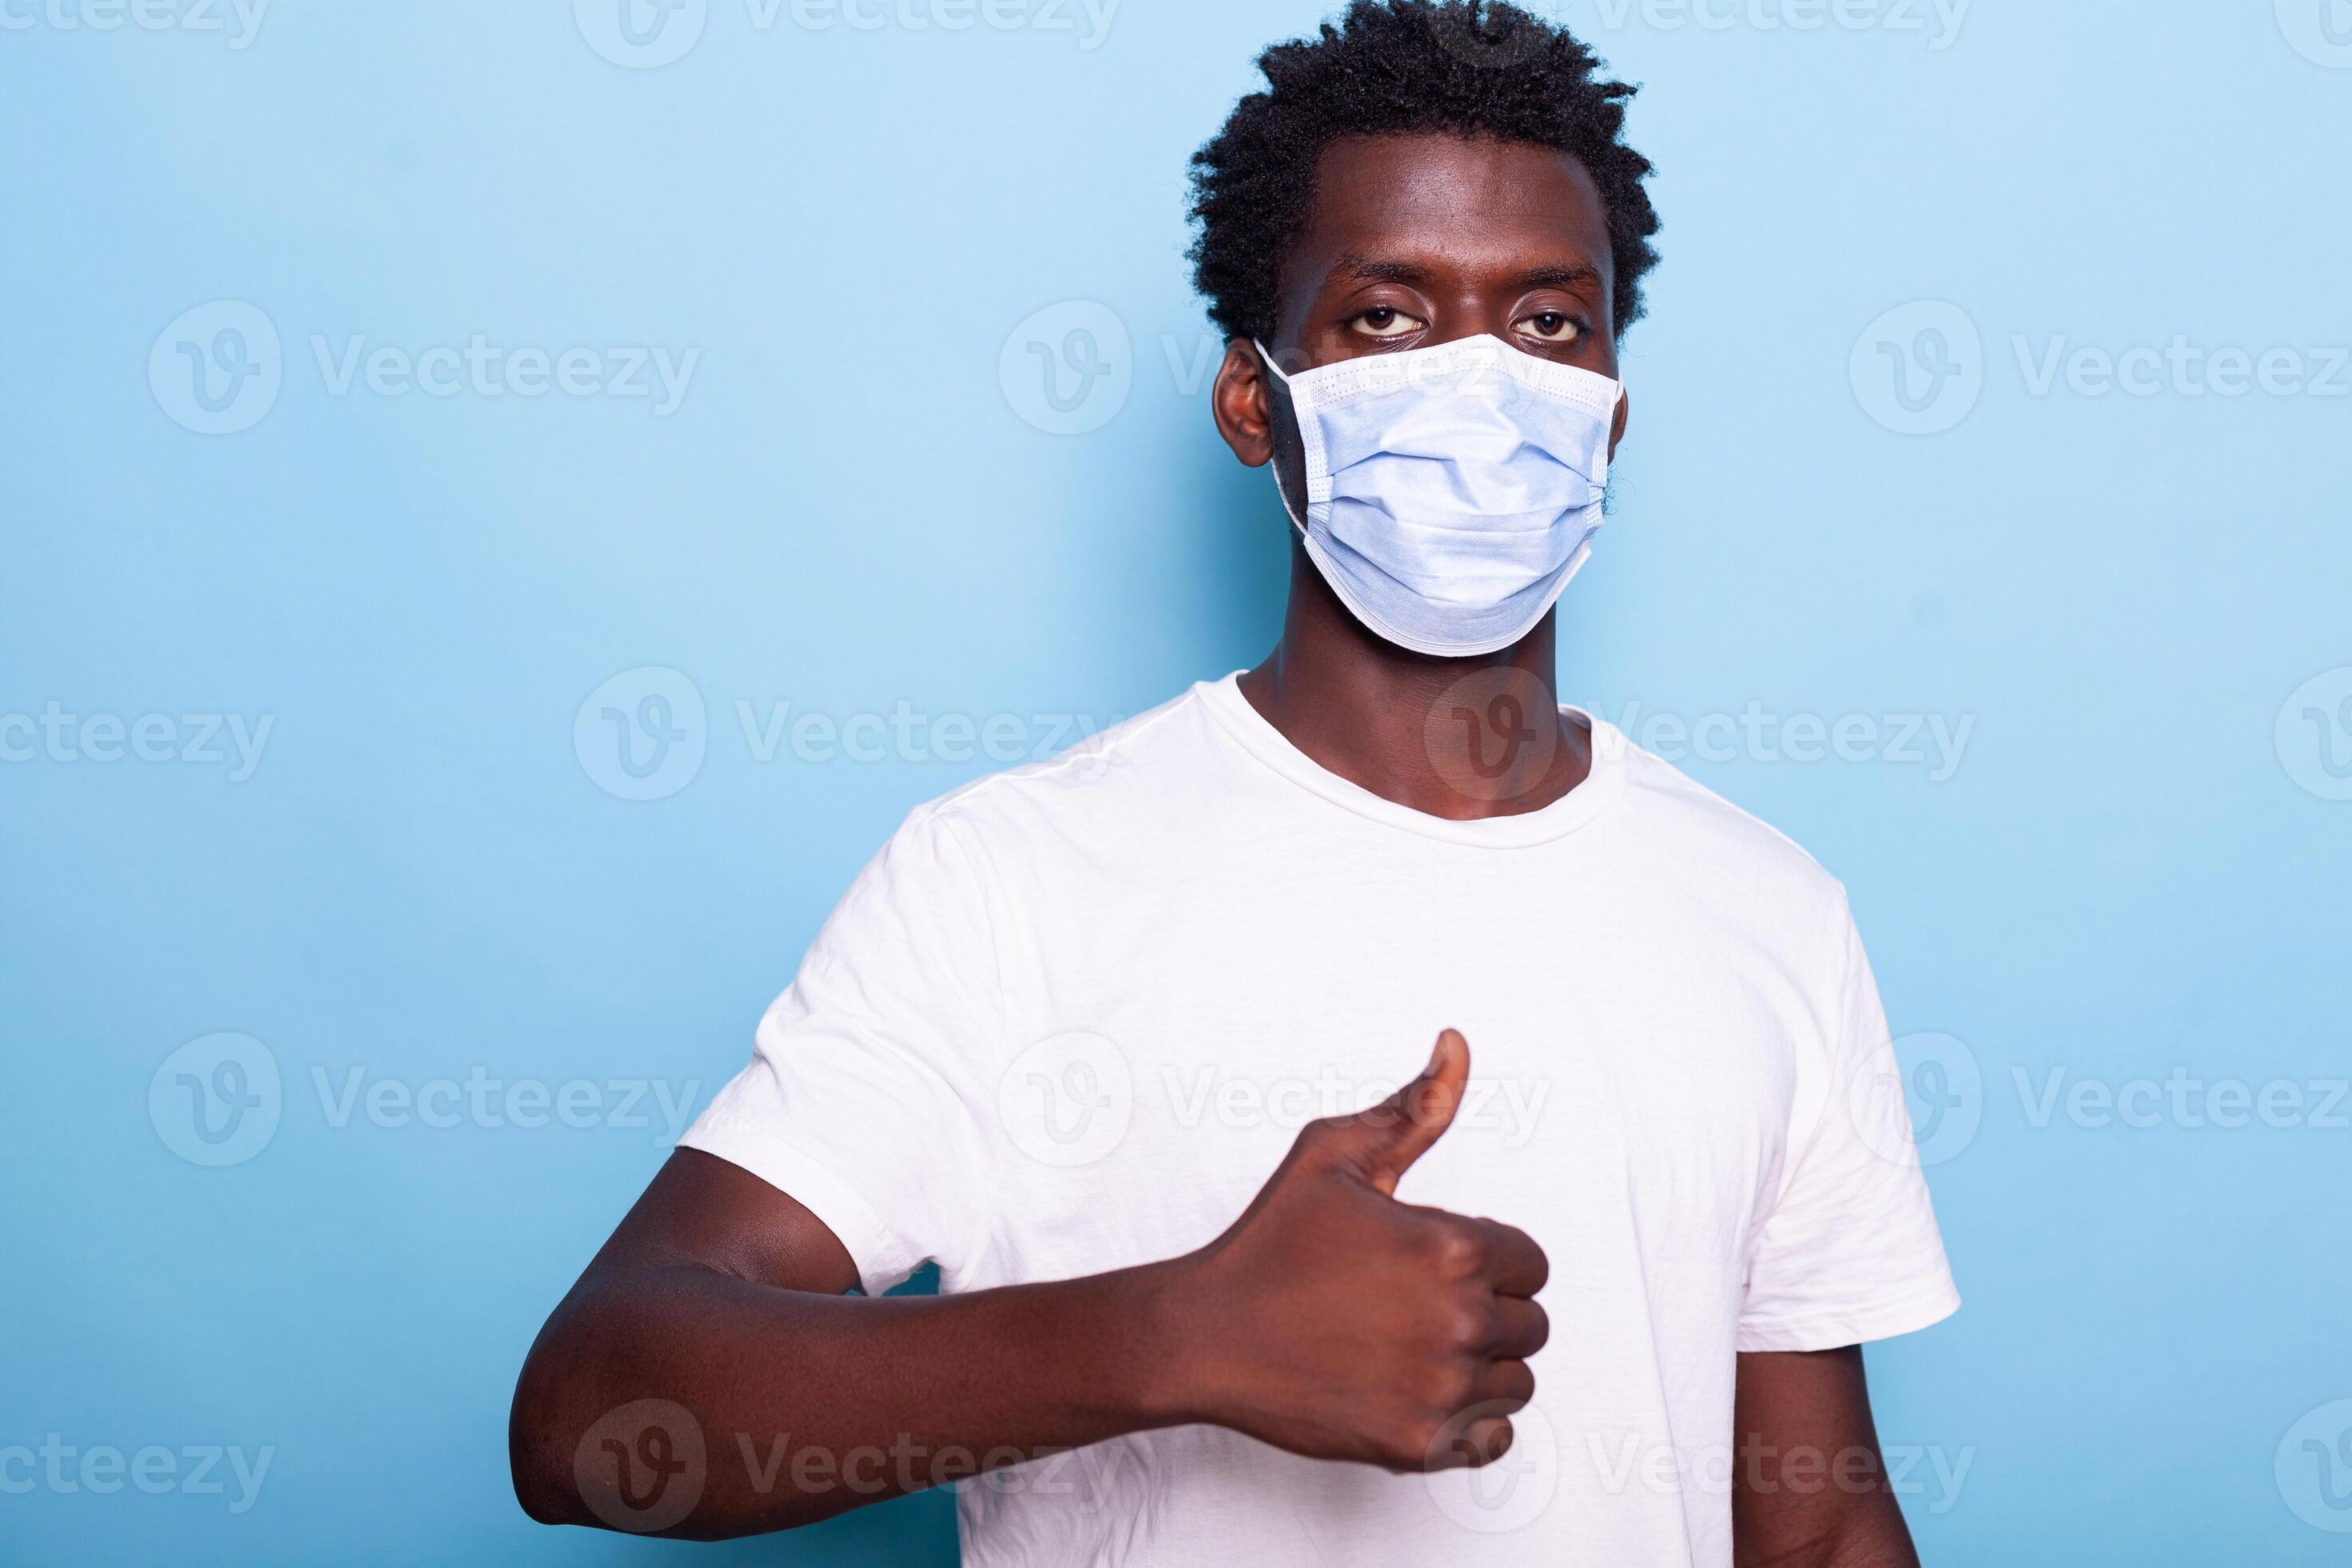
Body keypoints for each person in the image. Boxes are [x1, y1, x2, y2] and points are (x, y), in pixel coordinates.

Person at [510, 2, 1958, 1562]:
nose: (1480, 387)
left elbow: (1813, 1528)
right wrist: (1184, 1332)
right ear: (1255, 401)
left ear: (1607, 411)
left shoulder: (1767, 906)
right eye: (1387, 317)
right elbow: (593, 1417)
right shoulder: (1011, 882)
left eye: (1547, 323)